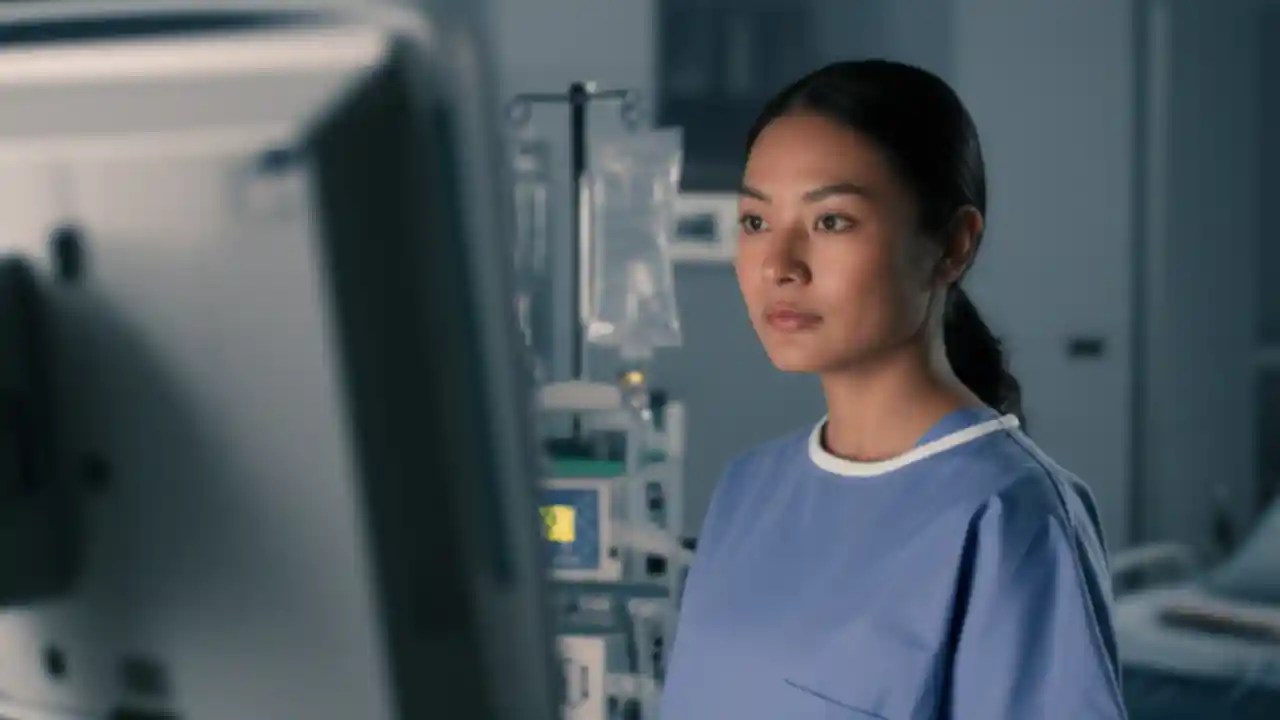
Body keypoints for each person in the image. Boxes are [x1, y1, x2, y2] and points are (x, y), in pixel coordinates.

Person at [660, 60, 1127, 719]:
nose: (779, 265)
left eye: (831, 222)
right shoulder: (746, 491)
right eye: (755, 222)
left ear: (952, 247)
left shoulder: (1008, 516)